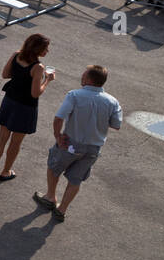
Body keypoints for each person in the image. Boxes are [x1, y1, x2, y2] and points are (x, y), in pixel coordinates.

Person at [33, 65, 122, 222]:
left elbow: (59, 118)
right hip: (93, 148)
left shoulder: (74, 95)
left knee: (54, 167)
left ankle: (50, 197)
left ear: (89, 79)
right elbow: (116, 125)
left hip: (70, 143)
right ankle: (62, 210)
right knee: (76, 179)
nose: (81, 76)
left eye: (84, 75)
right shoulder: (113, 101)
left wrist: (57, 136)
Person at [0, 34, 55, 183]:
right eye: (45, 48)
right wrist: (47, 80)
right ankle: (5, 171)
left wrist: (19, 76)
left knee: (1, 138)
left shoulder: (16, 55)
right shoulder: (38, 67)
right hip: (26, 107)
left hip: (10, 101)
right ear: (37, 49)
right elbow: (35, 93)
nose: (47, 51)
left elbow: (5, 74)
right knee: (15, 142)